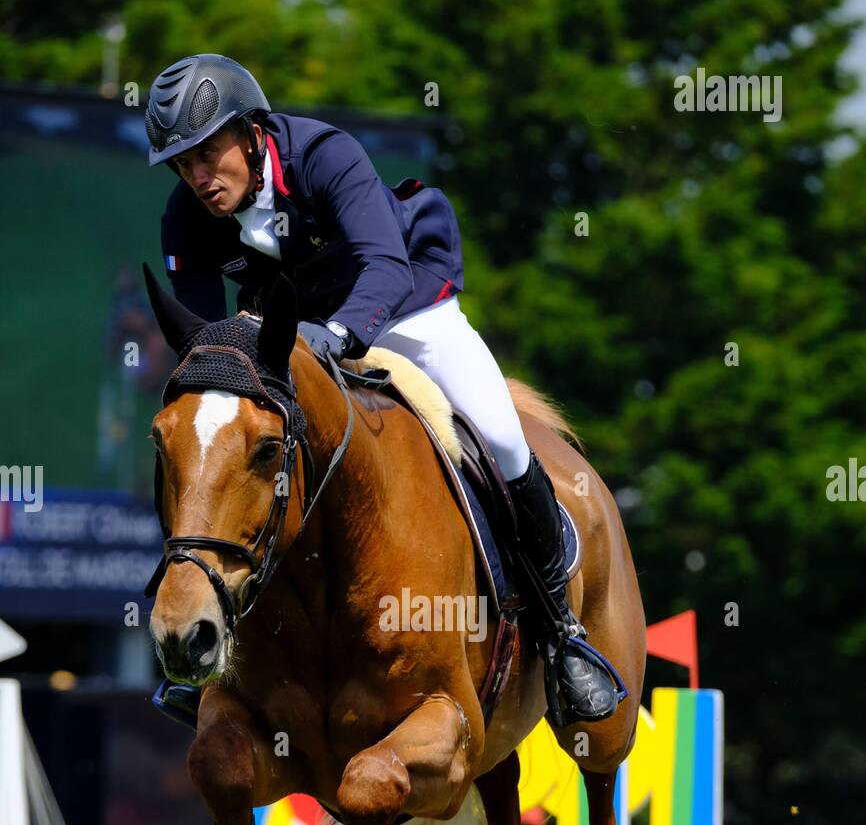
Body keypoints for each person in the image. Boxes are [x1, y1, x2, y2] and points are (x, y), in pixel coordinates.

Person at [145, 53, 621, 724]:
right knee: (207, 453)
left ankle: (562, 632)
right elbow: (207, 333)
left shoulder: (323, 156)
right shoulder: (186, 217)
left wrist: (337, 337)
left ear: (252, 133)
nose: (196, 176)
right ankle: (212, 645)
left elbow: (385, 264)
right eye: (182, 163)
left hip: (404, 308)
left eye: (207, 153)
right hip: (295, 334)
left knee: (502, 438)